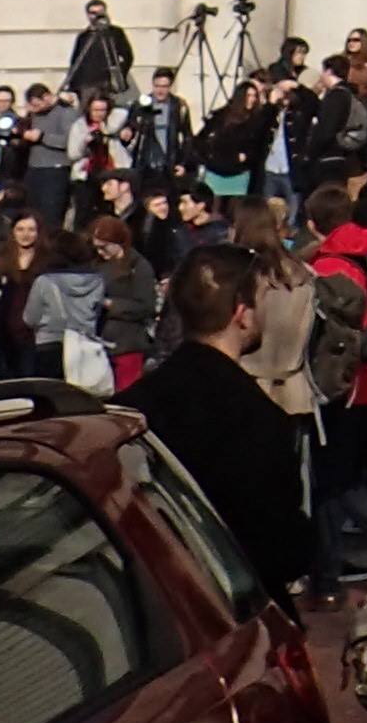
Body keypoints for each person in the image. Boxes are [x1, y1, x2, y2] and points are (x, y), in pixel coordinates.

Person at [131, 248, 316, 598]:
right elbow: (285, 550)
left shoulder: (135, 404)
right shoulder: (258, 418)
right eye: (263, 300)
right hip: (233, 608)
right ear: (241, 314)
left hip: (154, 602)